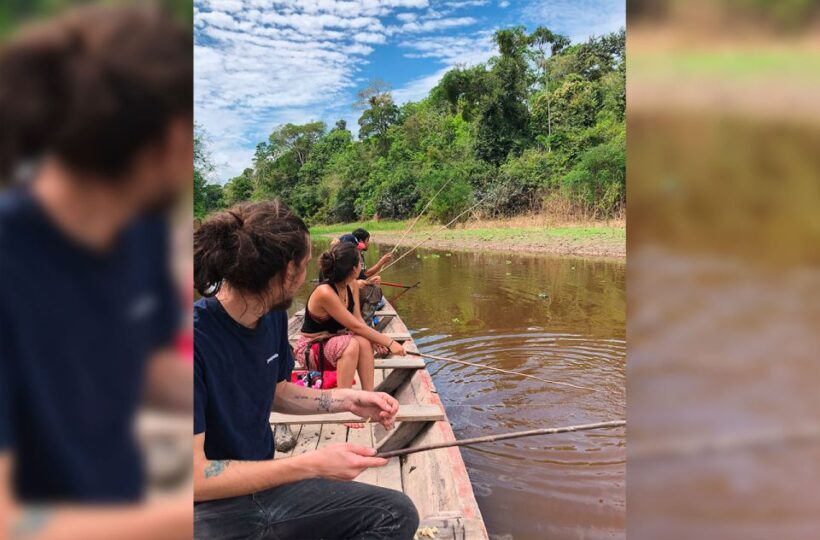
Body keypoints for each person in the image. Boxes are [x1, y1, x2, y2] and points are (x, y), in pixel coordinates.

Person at [0, 6, 193, 538]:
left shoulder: (141, 231)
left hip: (120, 498)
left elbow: (147, 370)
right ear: (172, 141)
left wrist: (248, 383)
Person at [193, 201, 419, 539]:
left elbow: (277, 391)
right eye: (304, 264)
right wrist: (311, 465)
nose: (305, 276)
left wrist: (345, 399)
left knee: (396, 514)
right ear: (287, 272)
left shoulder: (269, 315)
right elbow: (193, 479)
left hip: (267, 485)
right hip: (206, 510)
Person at [295, 241, 406, 394]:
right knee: (350, 344)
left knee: (364, 341)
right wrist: (389, 342)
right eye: (360, 263)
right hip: (311, 350)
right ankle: (345, 400)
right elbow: (355, 327)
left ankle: (368, 396)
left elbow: (359, 321)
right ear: (354, 269)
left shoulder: (352, 284)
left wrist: (374, 340)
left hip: (334, 343)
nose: (361, 267)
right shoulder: (325, 292)